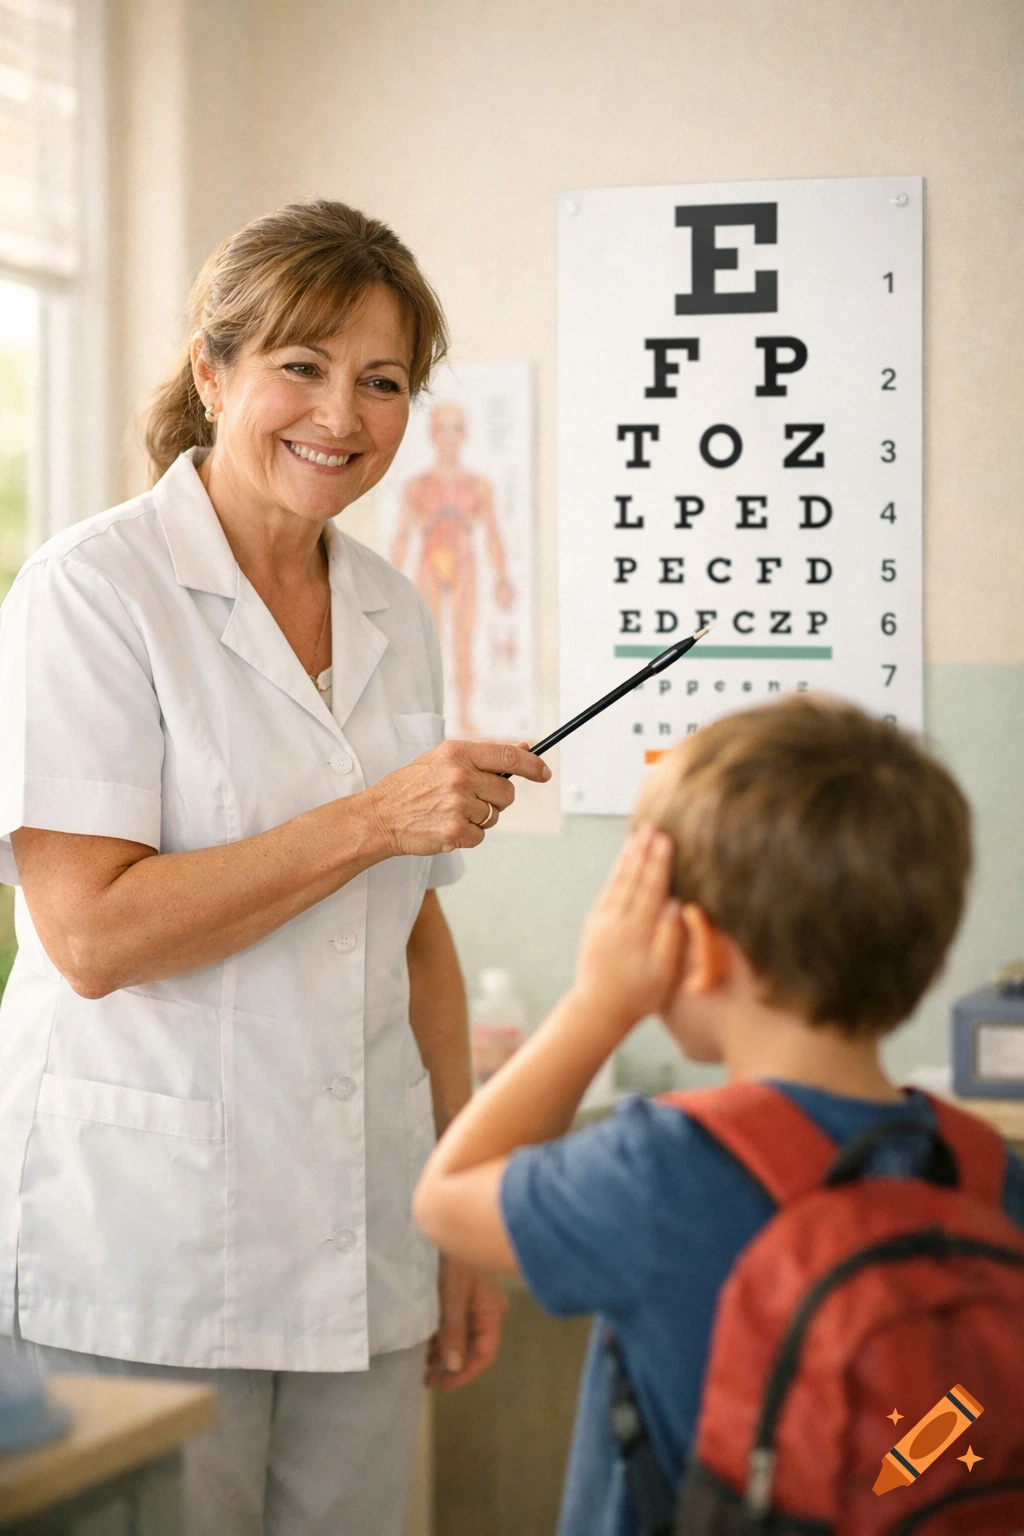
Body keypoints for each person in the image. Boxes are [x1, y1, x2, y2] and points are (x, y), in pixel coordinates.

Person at [0, 199, 549, 1536]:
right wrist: (372, 818)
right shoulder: (93, 592)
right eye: (302, 366)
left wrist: (455, 1201)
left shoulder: (388, 607)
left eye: (383, 382)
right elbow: (91, 937)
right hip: (148, 1250)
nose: (341, 415)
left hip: (360, 1234)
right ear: (213, 374)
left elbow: (413, 933)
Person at [413, 694, 1024, 1536]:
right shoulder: (988, 1172)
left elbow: (446, 1200)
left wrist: (599, 1004)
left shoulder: (662, 1169)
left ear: (691, 947)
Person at [390, 401, 514, 734]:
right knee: (425, 642)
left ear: (465, 434)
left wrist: (502, 578)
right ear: (432, 433)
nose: (449, 435)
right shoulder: (417, 486)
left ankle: (463, 716)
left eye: (456, 427)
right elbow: (402, 535)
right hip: (430, 562)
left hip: (464, 564)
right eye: (443, 427)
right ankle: (426, 719)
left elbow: (492, 534)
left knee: (462, 641)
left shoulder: (478, 486)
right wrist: (387, 582)